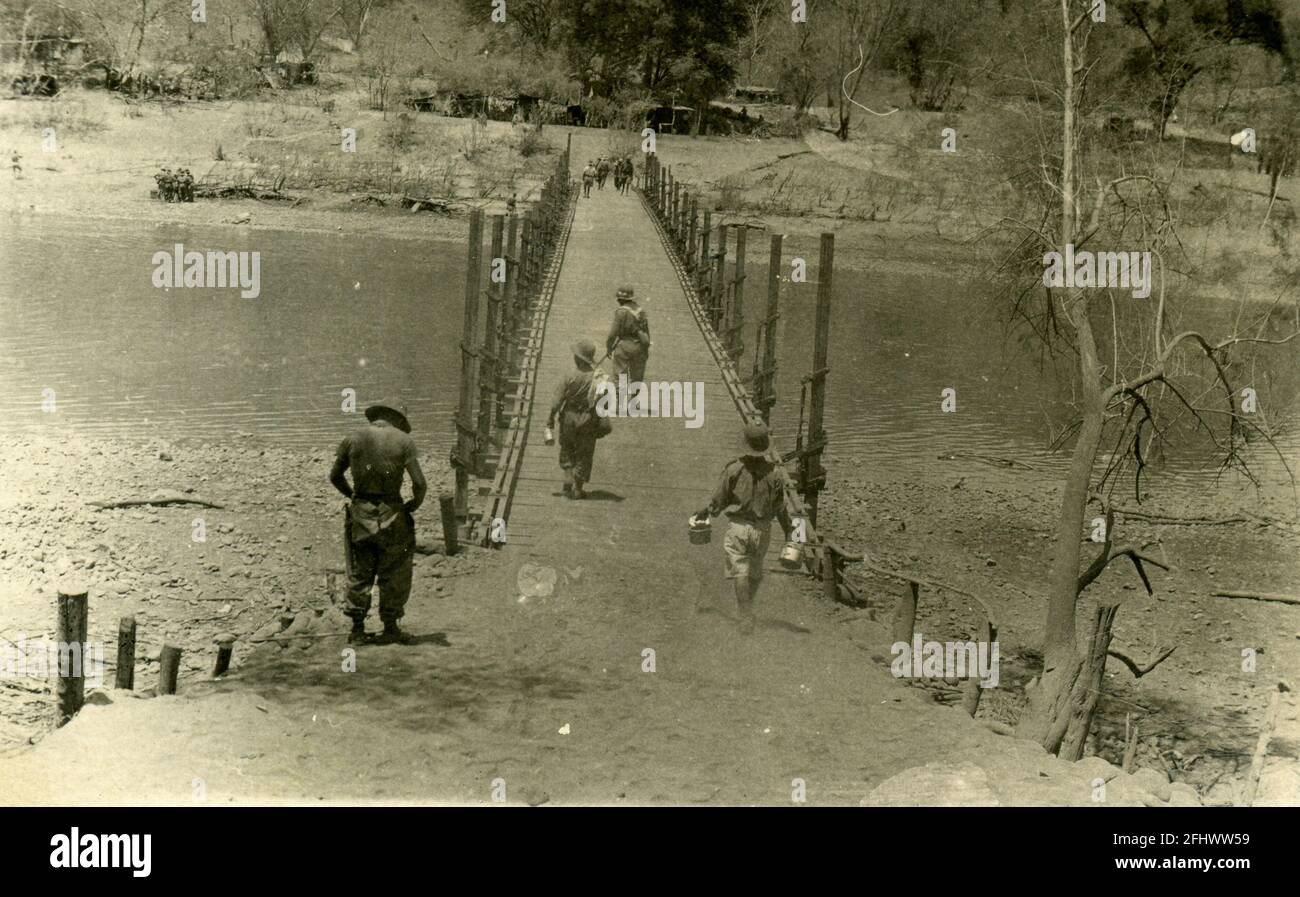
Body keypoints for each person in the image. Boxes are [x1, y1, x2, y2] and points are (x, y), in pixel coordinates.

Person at [329, 401, 428, 645]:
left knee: (360, 570)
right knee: (395, 570)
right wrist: (413, 504)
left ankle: (358, 629)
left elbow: (334, 475)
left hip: (361, 513)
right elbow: (420, 483)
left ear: (376, 417)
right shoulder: (404, 442)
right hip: (392, 513)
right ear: (397, 421)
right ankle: (391, 627)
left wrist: (352, 495)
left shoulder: (352, 438)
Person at [694, 422, 794, 634]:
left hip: (738, 527)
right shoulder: (775, 474)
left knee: (739, 570)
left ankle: (744, 614)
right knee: (755, 572)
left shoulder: (734, 469)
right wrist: (789, 531)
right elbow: (780, 507)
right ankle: (748, 608)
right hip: (762, 529)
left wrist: (706, 512)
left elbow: (719, 499)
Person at [546, 339, 601, 499]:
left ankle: (567, 484)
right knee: (585, 451)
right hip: (588, 418)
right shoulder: (598, 377)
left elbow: (557, 402)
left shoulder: (569, 376)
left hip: (569, 416)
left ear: (577, 358)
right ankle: (578, 487)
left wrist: (550, 418)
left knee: (567, 448)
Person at [605, 284, 650, 387]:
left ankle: (621, 401)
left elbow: (613, 334)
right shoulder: (640, 310)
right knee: (637, 378)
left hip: (624, 347)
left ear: (621, 300)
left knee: (620, 378)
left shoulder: (621, 312)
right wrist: (645, 349)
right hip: (640, 346)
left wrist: (609, 348)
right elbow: (646, 331)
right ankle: (634, 400)